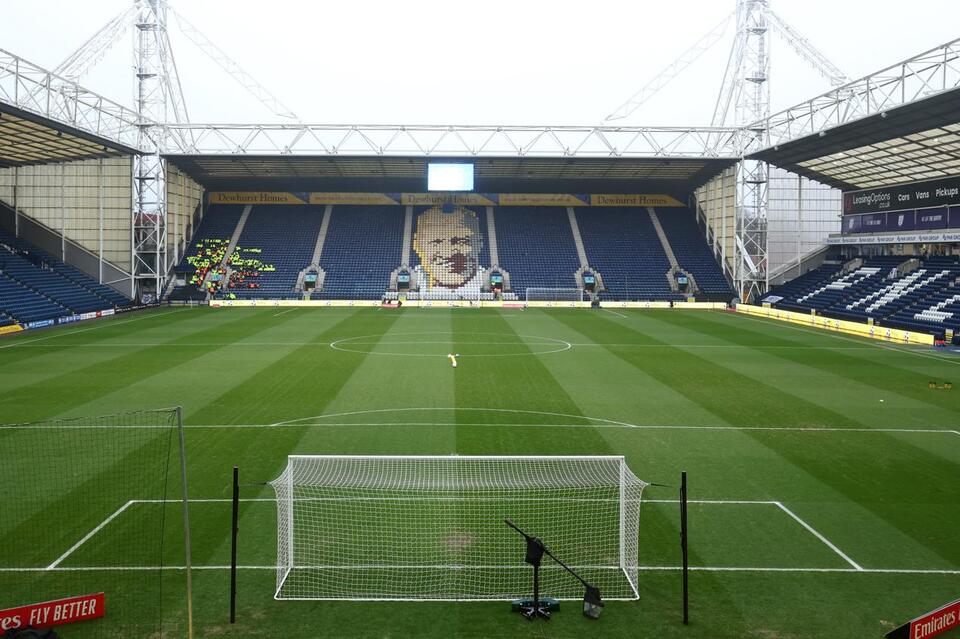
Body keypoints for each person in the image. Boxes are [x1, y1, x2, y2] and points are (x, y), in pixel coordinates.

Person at [412, 206, 485, 296]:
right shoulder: (417, 278)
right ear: (417, 244)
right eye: (436, 242)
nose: (448, 253)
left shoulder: (483, 278)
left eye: (460, 241)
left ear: (479, 242)